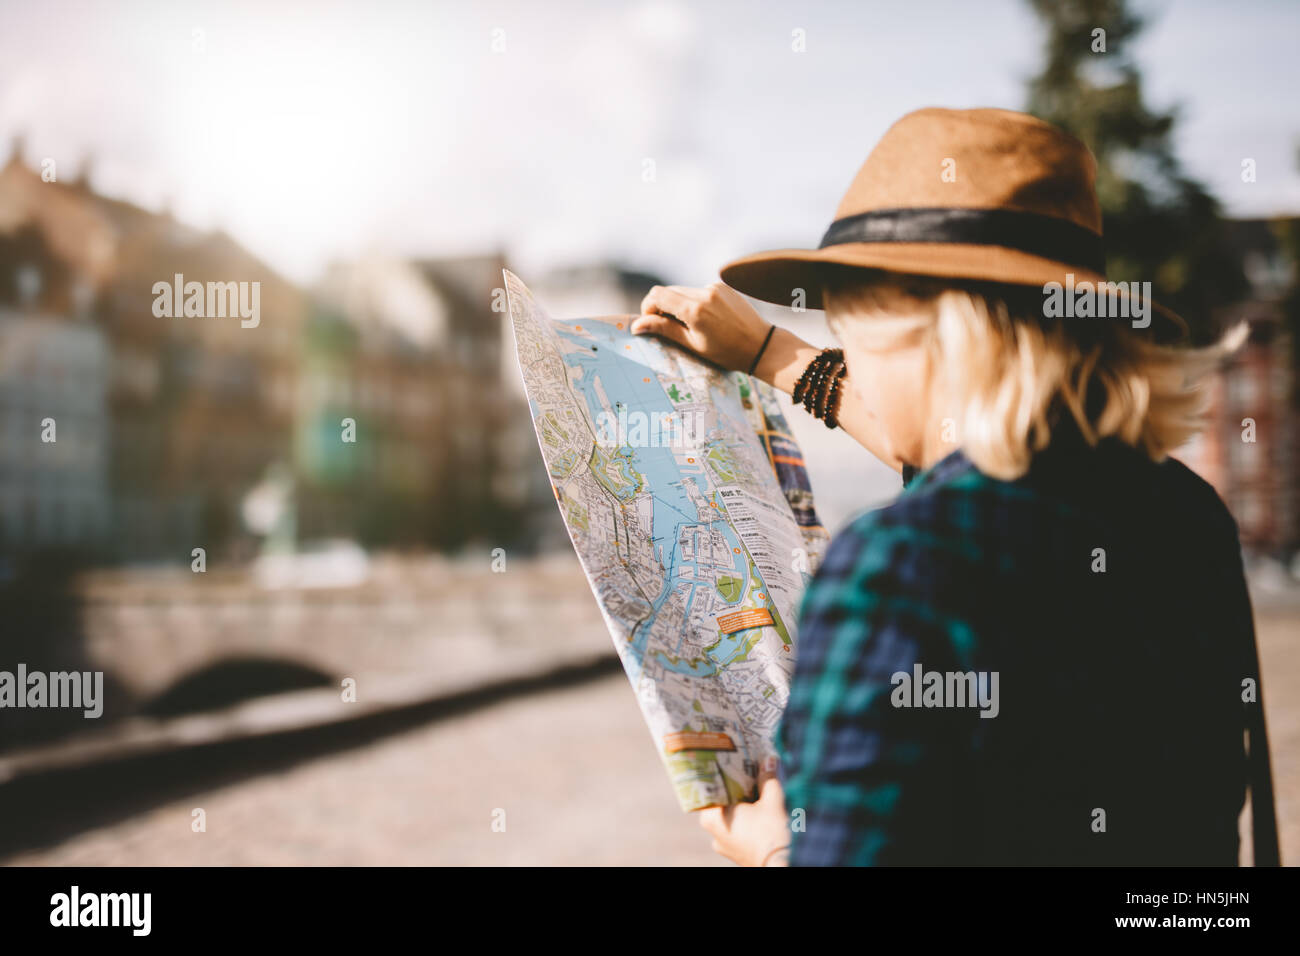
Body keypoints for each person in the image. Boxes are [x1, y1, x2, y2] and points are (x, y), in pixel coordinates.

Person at [631, 107, 1278, 866]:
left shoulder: (897, 568)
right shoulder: (1186, 515)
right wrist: (774, 353)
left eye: (852, 331)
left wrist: (776, 853)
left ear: (924, 332)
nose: (850, 357)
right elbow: (964, 455)